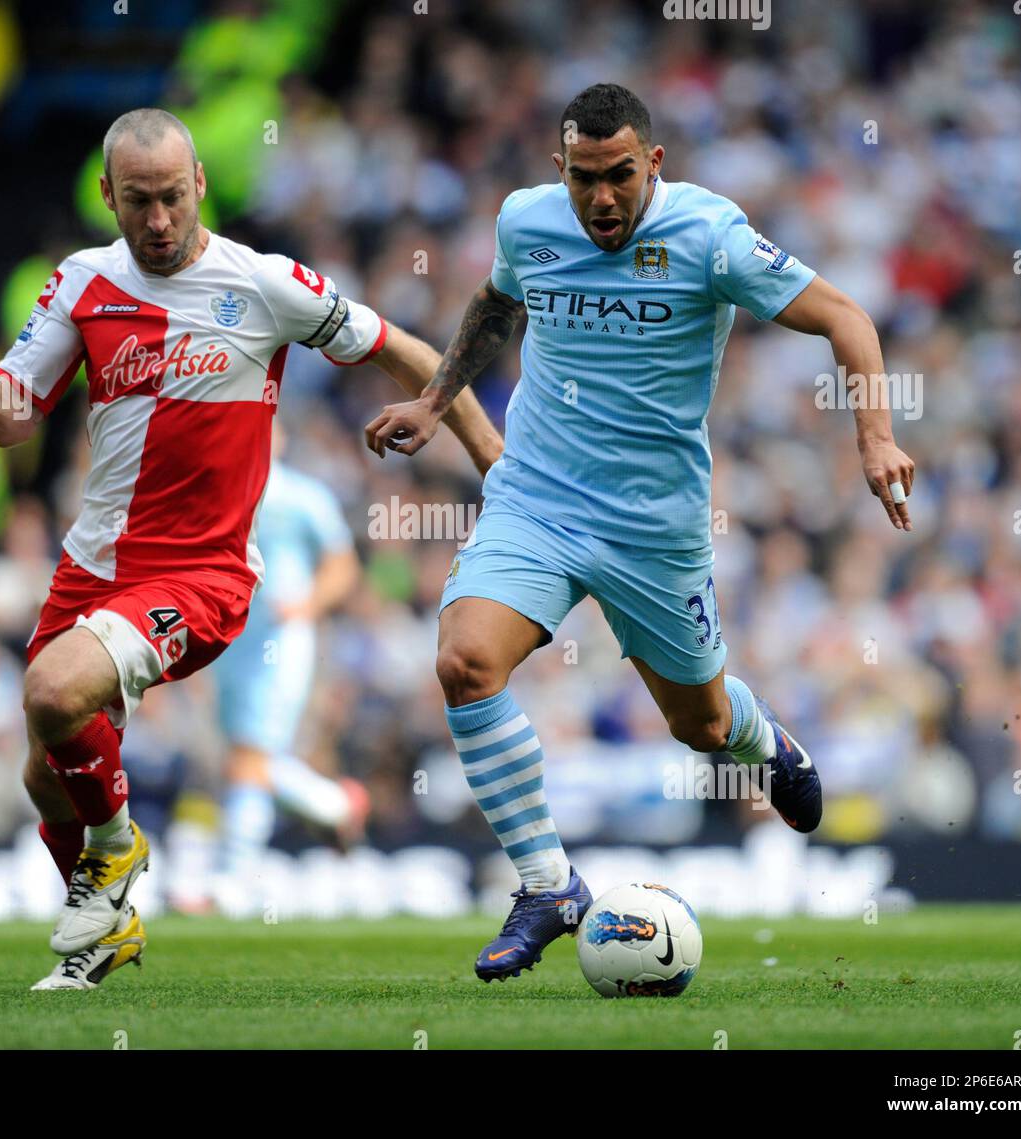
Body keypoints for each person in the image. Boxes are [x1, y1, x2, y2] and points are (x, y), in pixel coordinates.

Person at [365, 83, 916, 982]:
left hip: (654, 528)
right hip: (537, 497)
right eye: (584, 180)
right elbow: (498, 305)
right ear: (560, 170)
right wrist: (434, 402)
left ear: (653, 162)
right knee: (464, 660)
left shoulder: (711, 235)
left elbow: (846, 319)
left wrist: (876, 434)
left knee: (697, 724)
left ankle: (762, 738)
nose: (603, 199)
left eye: (620, 176)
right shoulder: (527, 222)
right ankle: (548, 886)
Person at [0, 107, 502, 989]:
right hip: (92, 567)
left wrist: (488, 456)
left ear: (200, 184)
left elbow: (404, 349)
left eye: (172, 197)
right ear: (107, 196)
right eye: (139, 203)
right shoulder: (82, 282)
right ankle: (105, 937)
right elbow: (12, 415)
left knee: (52, 692)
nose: (159, 221)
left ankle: (116, 852)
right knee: (45, 773)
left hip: (202, 575)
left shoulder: (267, 284)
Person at [212, 422, 369, 880]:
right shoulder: (218, 494)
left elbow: (343, 565)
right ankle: (336, 804)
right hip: (229, 641)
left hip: (281, 641)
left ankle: (232, 883)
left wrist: (305, 604)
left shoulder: (303, 497)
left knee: (250, 756)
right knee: (245, 758)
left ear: (280, 439)